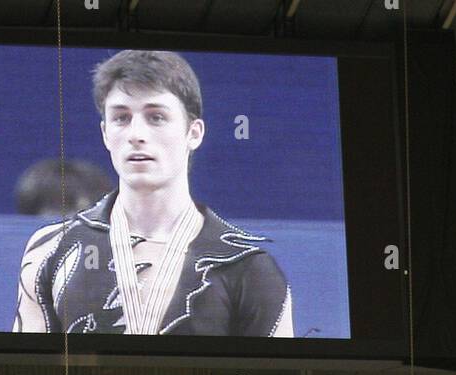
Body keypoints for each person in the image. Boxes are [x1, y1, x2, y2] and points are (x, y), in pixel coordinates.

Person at [15, 49, 293, 339]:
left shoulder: (249, 268)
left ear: (194, 133)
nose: (136, 134)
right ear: (105, 133)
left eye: (156, 117)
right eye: (121, 118)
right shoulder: (50, 251)